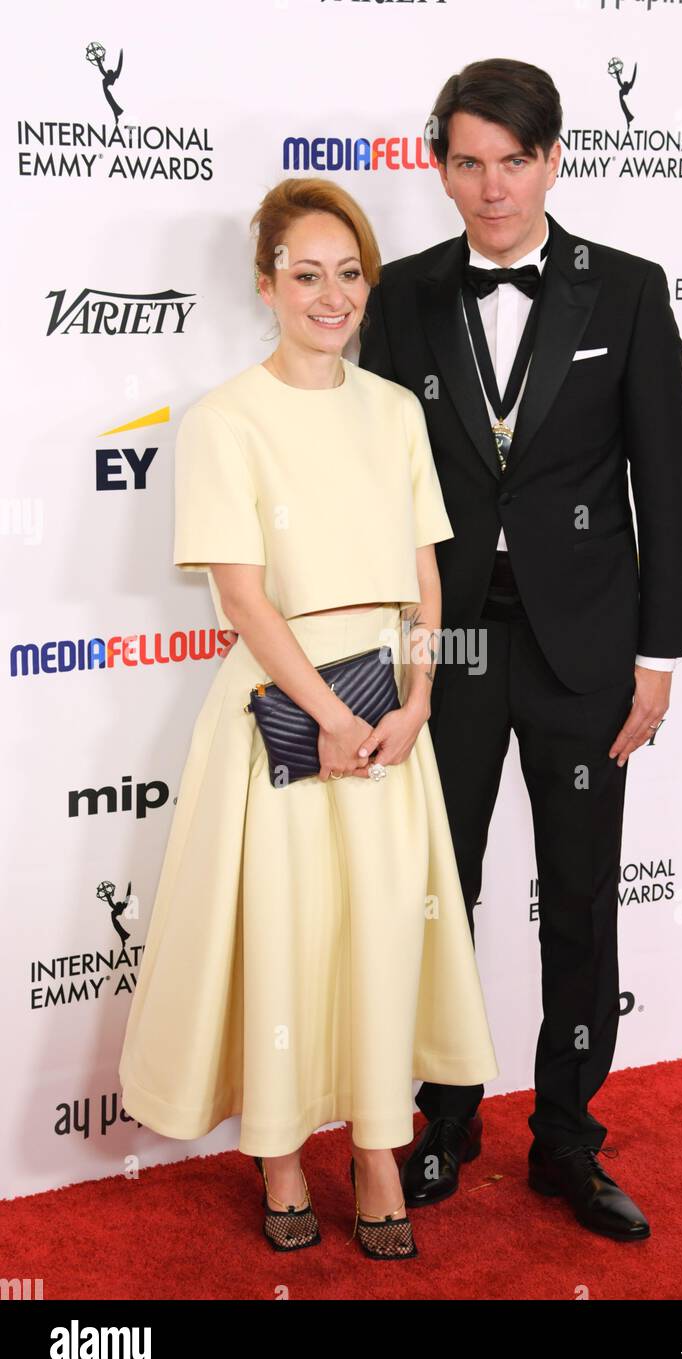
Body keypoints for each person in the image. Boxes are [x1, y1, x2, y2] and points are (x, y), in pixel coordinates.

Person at [117, 177, 498, 1261]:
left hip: (388, 717)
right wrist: (328, 712)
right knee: (284, 940)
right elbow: (241, 595)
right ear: (265, 284)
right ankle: (279, 1153)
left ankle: (376, 1146)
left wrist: (417, 695)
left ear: (366, 284)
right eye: (305, 274)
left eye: (348, 274)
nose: (329, 296)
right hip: (281, 712)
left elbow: (426, 570)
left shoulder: (392, 409)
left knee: (381, 934)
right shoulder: (225, 420)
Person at [358, 58, 682, 1242]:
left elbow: (665, 478)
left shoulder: (630, 293)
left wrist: (659, 658)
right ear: (437, 166)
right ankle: (444, 1120)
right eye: (467, 162)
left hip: (587, 649)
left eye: (513, 160)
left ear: (552, 159)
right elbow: (375, 488)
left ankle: (565, 1139)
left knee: (582, 900)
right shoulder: (397, 297)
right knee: (438, 892)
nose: (490, 187)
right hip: (443, 645)